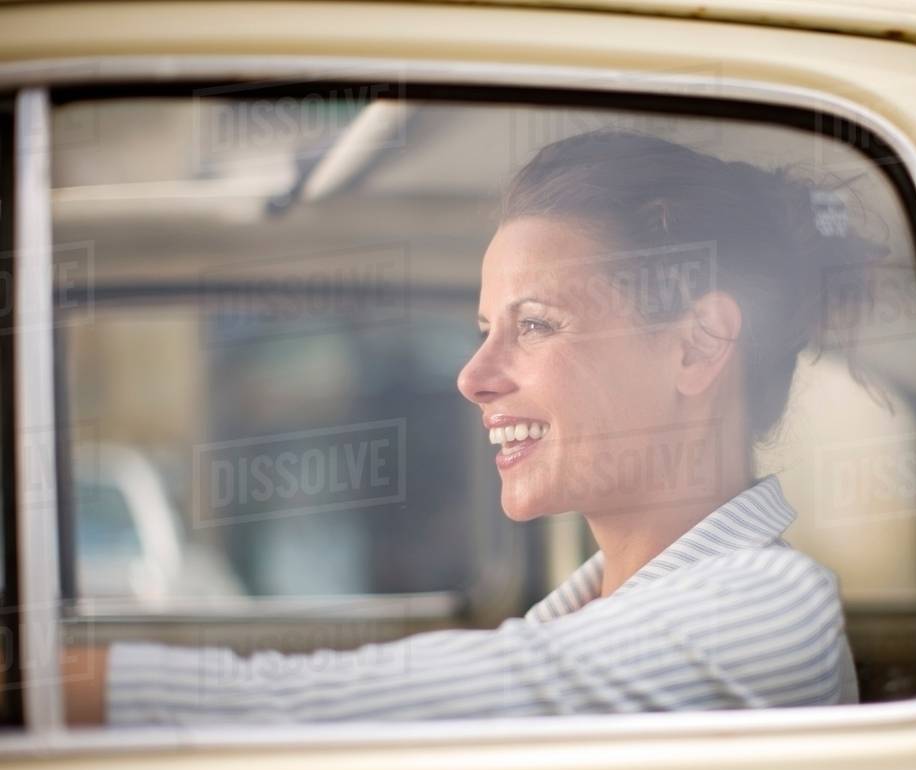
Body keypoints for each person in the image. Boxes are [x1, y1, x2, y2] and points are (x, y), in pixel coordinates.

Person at [64, 128, 864, 725]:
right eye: (484, 328)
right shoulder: (591, 612)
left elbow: (422, 700)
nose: (472, 377)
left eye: (536, 325)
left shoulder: (771, 608)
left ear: (696, 347)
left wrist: (72, 686)